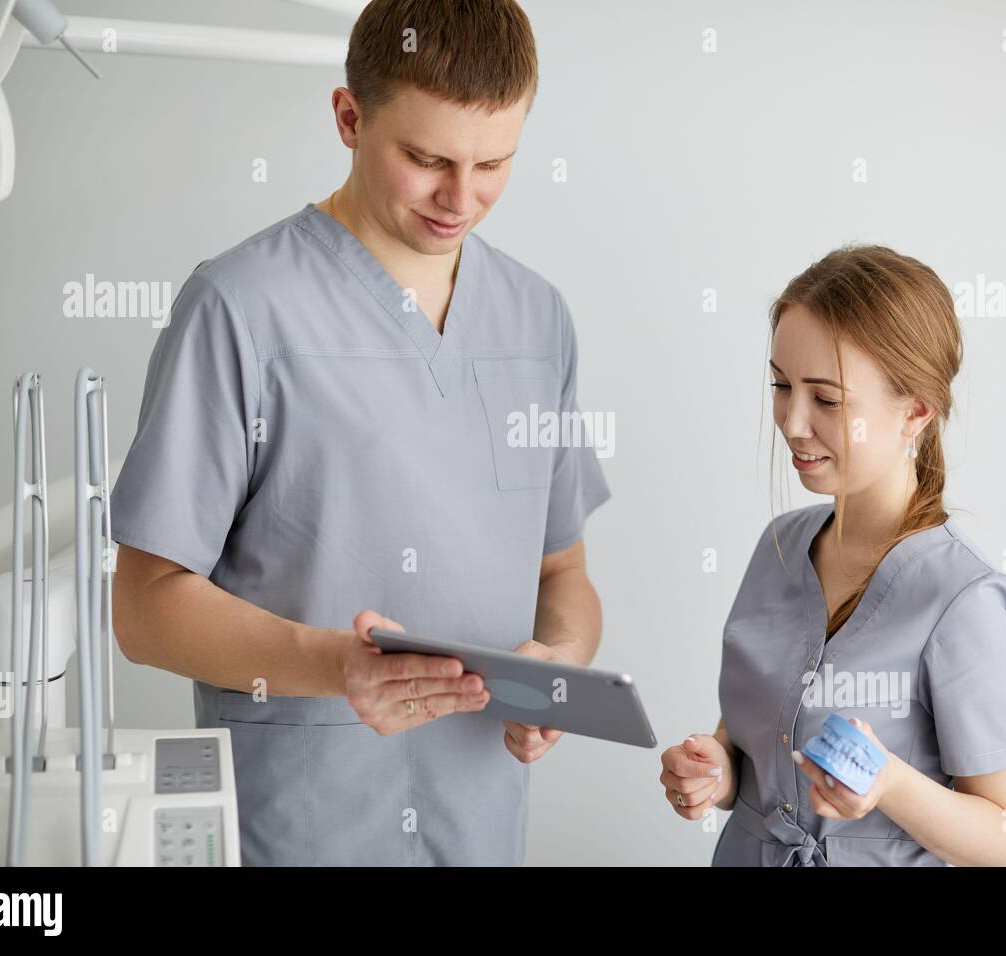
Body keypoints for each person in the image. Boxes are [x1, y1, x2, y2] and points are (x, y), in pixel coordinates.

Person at [109, 0, 610, 866]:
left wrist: (558, 669)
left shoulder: (538, 320)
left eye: (494, 163)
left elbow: (563, 575)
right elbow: (144, 607)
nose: (462, 197)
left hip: (481, 824)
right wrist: (334, 662)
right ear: (348, 117)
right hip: (296, 828)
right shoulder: (239, 307)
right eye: (426, 159)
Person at [660, 245, 1006, 866]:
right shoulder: (780, 547)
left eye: (827, 400)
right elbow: (762, 736)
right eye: (781, 386)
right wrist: (717, 771)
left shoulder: (965, 602)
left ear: (916, 410)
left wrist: (888, 783)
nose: (792, 422)